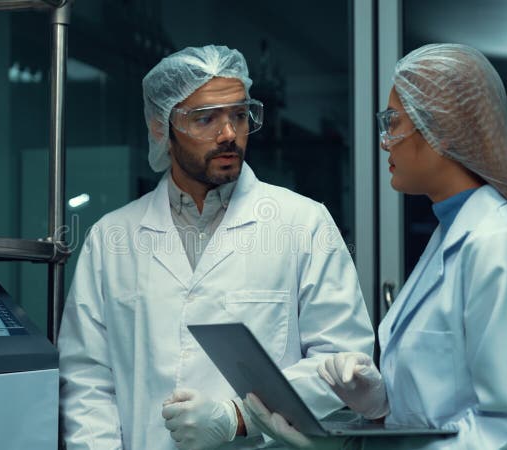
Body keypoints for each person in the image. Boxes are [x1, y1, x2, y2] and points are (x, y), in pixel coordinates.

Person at [243, 43, 507, 449]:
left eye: (393, 123)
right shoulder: (451, 237)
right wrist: (379, 405)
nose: (385, 142)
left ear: (442, 131)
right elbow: (444, 401)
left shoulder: (502, 248)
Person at [58, 45, 375, 450]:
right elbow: (87, 377)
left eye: (239, 116)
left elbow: (343, 366)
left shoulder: (303, 223)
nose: (228, 134)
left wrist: (238, 416)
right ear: (160, 129)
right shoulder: (111, 237)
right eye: (205, 118)